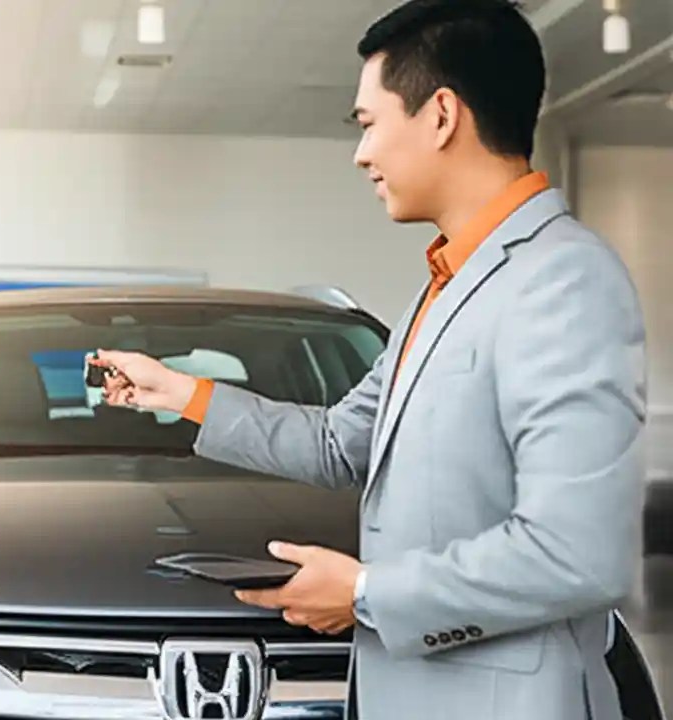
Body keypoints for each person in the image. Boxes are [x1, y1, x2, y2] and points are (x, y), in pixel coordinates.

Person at [94, 1, 646, 718]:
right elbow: (340, 442)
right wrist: (183, 394)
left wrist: (362, 593)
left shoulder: (565, 279)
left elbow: (578, 552)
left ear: (441, 115)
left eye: (369, 123)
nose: (362, 154)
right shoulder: (440, 290)